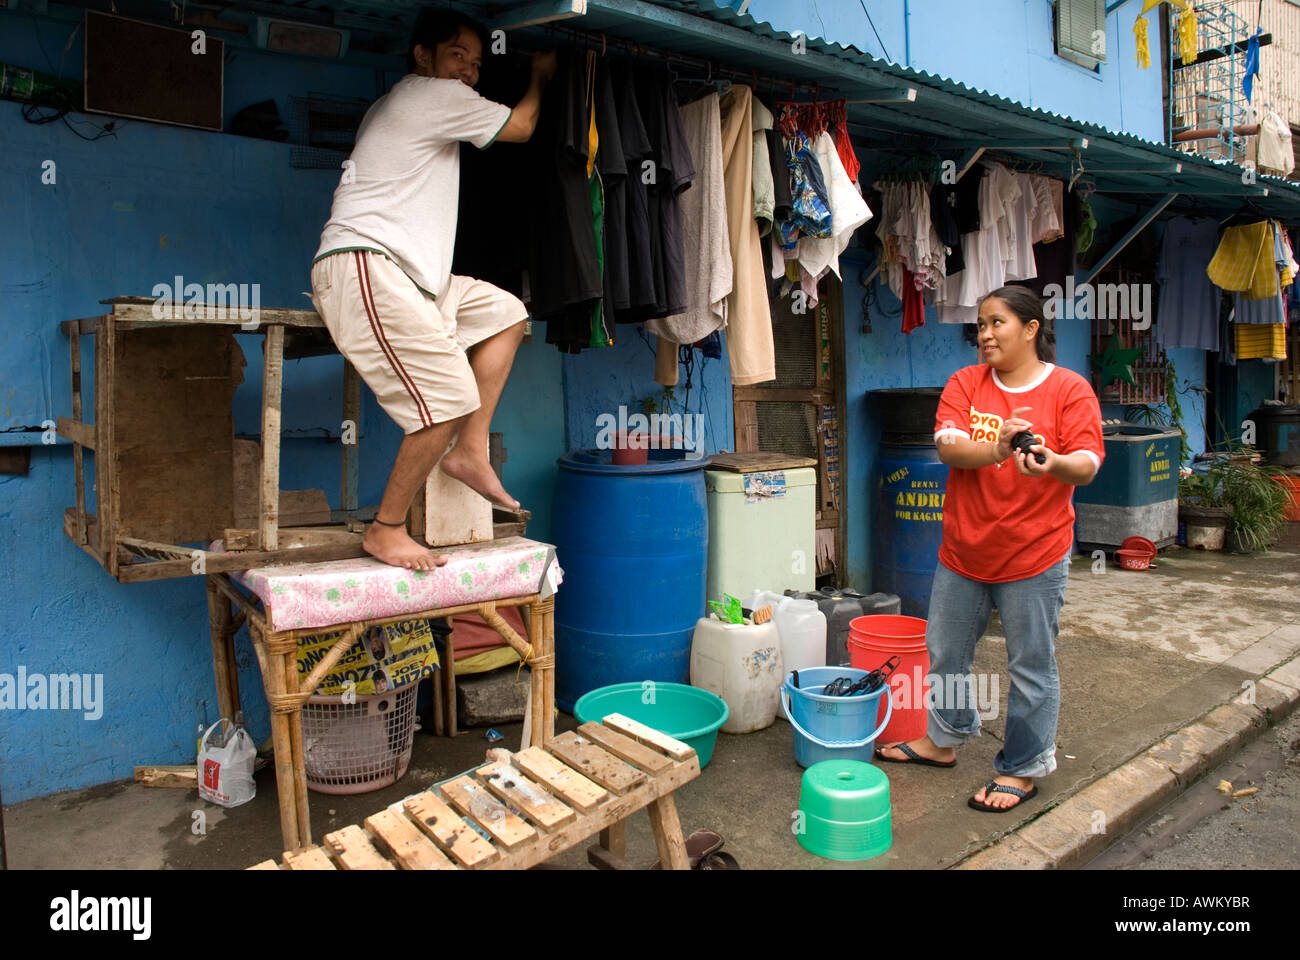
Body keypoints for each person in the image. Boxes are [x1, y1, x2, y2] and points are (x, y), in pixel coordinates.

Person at [309, 8, 557, 571]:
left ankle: (470, 450)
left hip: (418, 278)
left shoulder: (409, 101)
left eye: (475, 63)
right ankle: (386, 528)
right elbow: (521, 127)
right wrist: (540, 77)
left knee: (507, 313)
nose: (468, 71)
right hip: (364, 263)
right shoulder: (429, 93)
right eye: (457, 56)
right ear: (423, 57)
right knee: (444, 398)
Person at [875, 286, 1105, 812]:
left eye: (996, 323)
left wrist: (1051, 461)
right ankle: (945, 738)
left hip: (1034, 554)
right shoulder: (966, 383)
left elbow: (1089, 463)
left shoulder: (1069, 389)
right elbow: (947, 446)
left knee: (1030, 663)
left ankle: (1023, 767)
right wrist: (998, 447)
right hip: (964, 550)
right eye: (980, 325)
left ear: (1030, 329)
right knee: (946, 653)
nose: (984, 334)